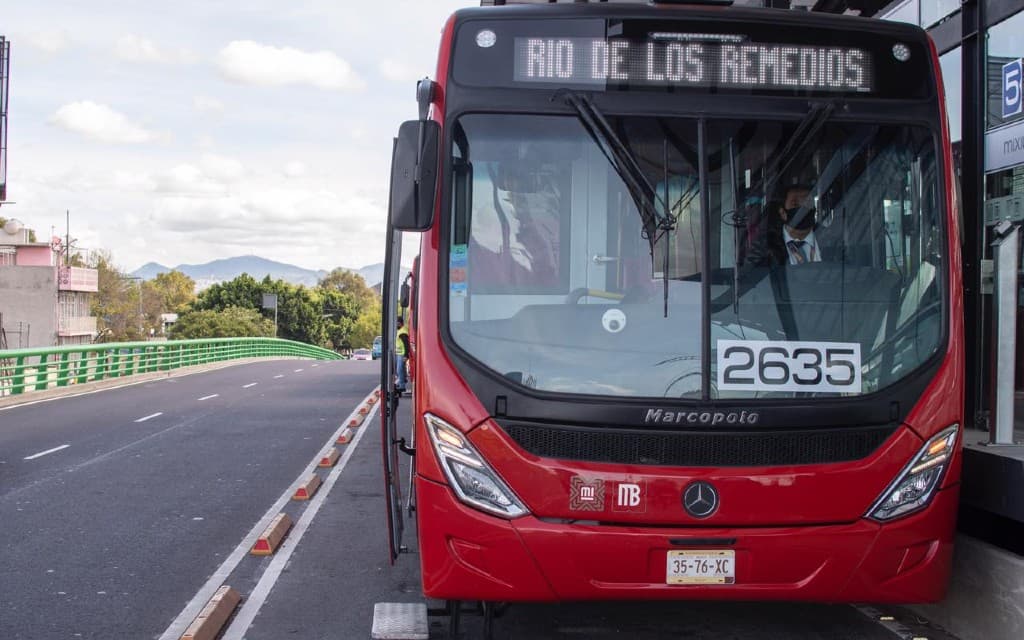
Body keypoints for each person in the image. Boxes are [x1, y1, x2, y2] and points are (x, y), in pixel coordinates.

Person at [744, 183, 824, 268]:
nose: (803, 208)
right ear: (782, 212)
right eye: (795, 204)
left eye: (808, 202)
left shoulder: (833, 238)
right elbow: (750, 277)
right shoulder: (763, 248)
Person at [395, 316, 411, 394]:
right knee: (401, 369)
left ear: (400, 323)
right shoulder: (401, 330)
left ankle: (402, 386)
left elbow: (406, 344)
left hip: (402, 354)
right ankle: (403, 380)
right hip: (400, 353)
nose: (396, 325)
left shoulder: (402, 332)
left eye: (397, 323)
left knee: (399, 370)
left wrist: (406, 355)